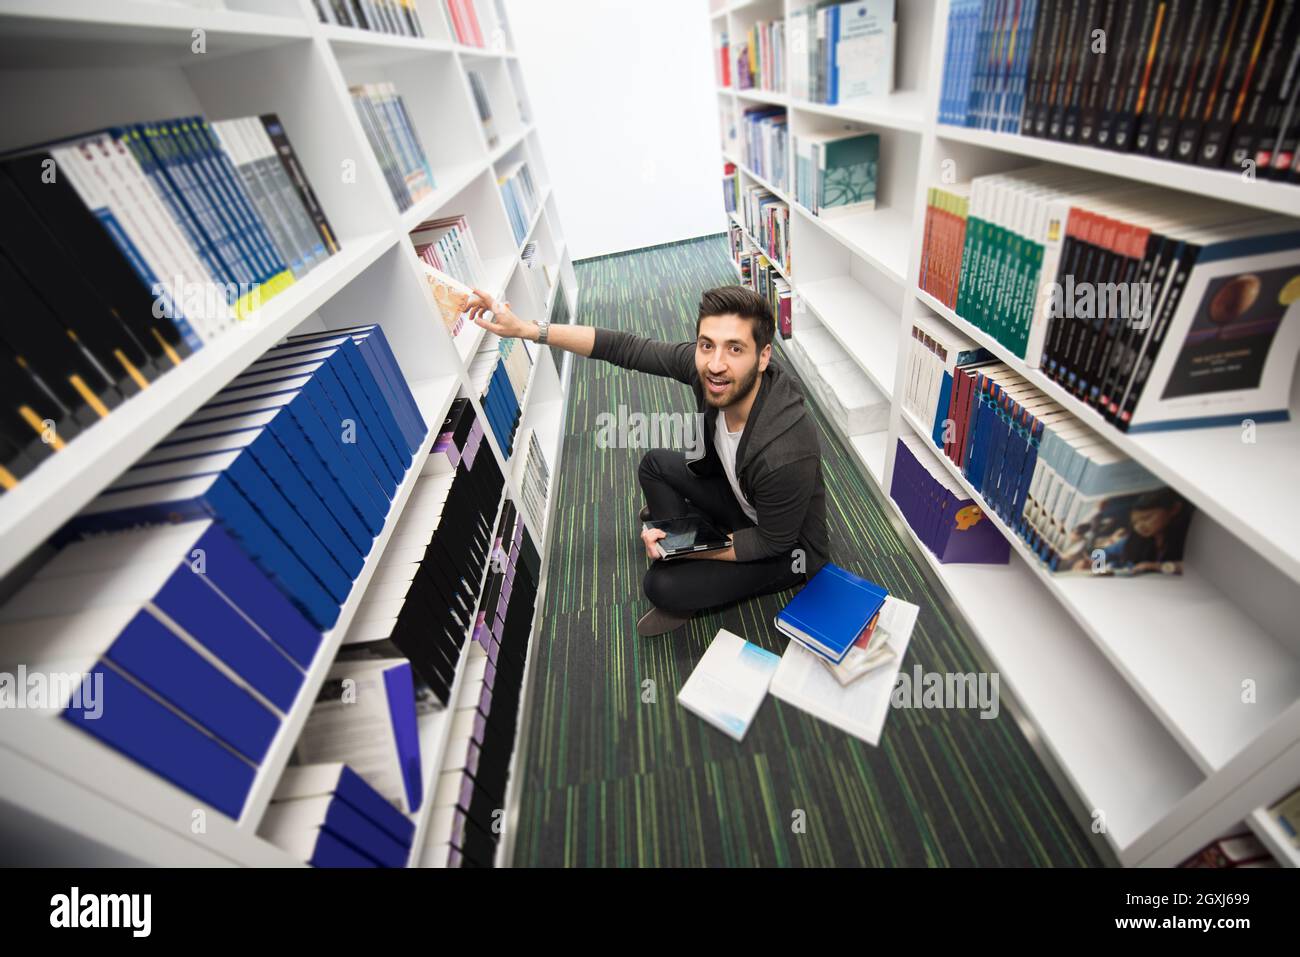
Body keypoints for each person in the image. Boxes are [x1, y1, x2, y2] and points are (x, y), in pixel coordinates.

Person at [465, 284, 829, 635]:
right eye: (707, 345)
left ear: (763, 356)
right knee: (654, 464)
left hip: (784, 550)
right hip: (741, 496)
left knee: (662, 585)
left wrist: (682, 548)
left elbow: (772, 542)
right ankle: (689, 536)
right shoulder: (707, 370)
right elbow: (627, 348)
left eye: (735, 349)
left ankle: (686, 549)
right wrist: (529, 329)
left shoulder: (785, 451)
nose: (715, 364)